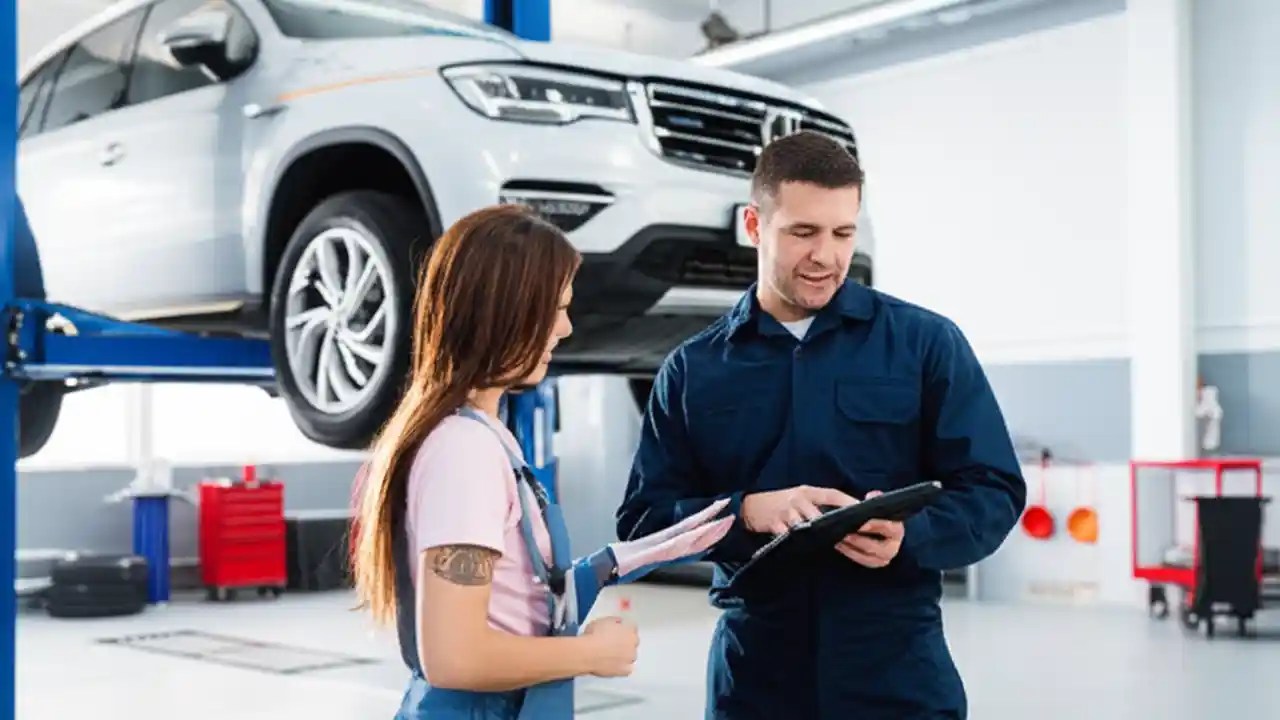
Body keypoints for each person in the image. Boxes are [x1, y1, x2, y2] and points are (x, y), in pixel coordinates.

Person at [615, 131, 1027, 720]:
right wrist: (745, 512)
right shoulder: (693, 370)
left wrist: (911, 535)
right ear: (754, 226)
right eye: (803, 232)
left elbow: (993, 487)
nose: (826, 256)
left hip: (896, 667)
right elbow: (643, 522)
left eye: (842, 233)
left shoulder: (924, 344)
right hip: (755, 678)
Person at [349, 205, 651, 720]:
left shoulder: (484, 436)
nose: (565, 328)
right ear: (504, 311)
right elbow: (455, 657)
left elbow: (509, 602)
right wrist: (590, 653)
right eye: (554, 309)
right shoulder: (463, 452)